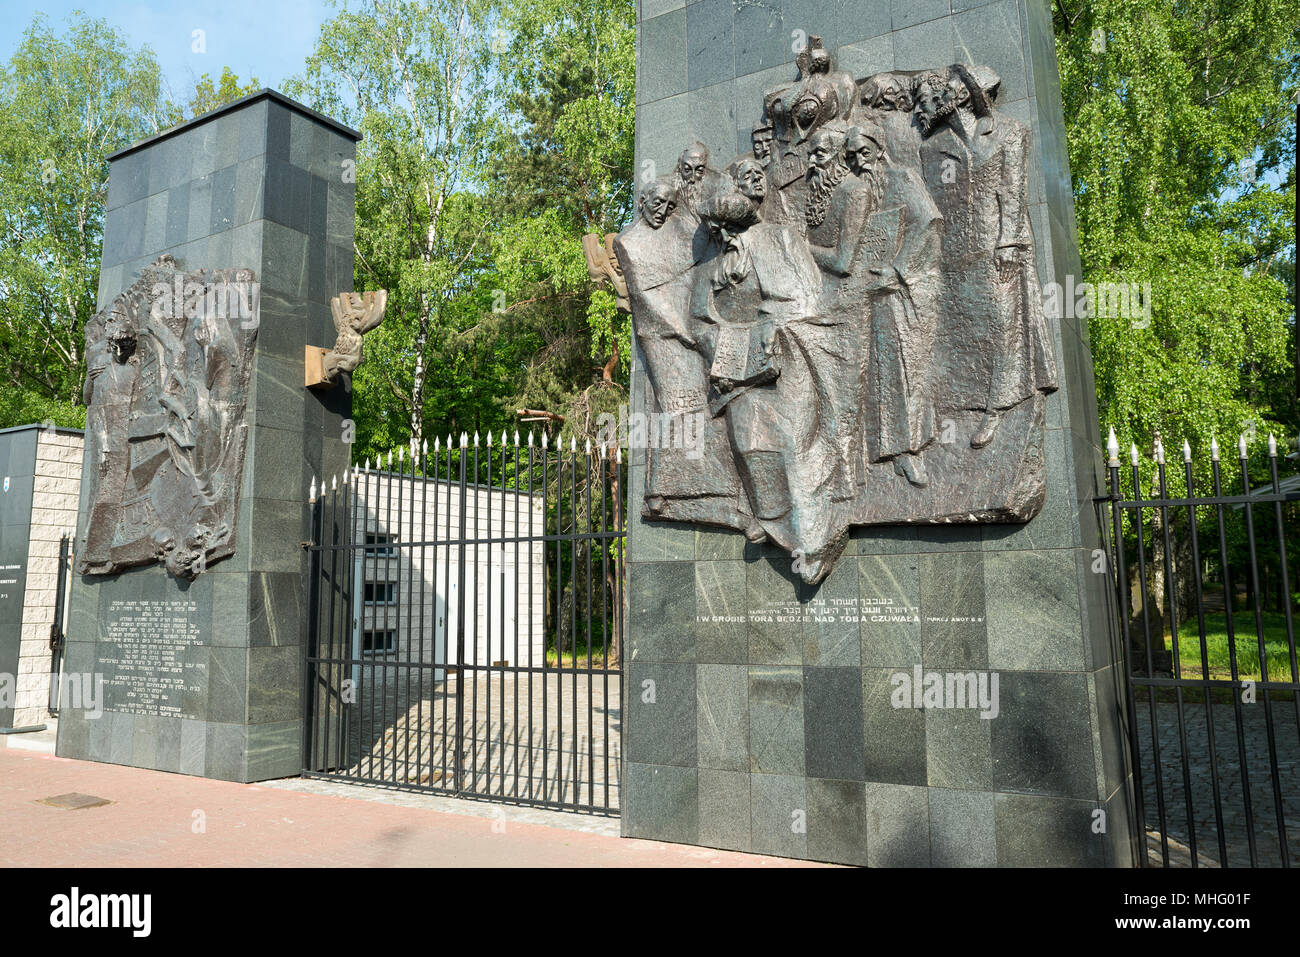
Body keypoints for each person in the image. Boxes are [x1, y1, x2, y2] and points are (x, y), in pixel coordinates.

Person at [915, 65, 1057, 449]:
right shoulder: (934, 148)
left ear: (966, 94)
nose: (944, 90)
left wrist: (1009, 242)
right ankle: (959, 412)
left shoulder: (1010, 133)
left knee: (1001, 326)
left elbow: (1012, 190)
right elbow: (936, 202)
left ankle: (999, 406)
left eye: (952, 85)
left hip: (998, 249)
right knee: (962, 332)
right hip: (955, 254)